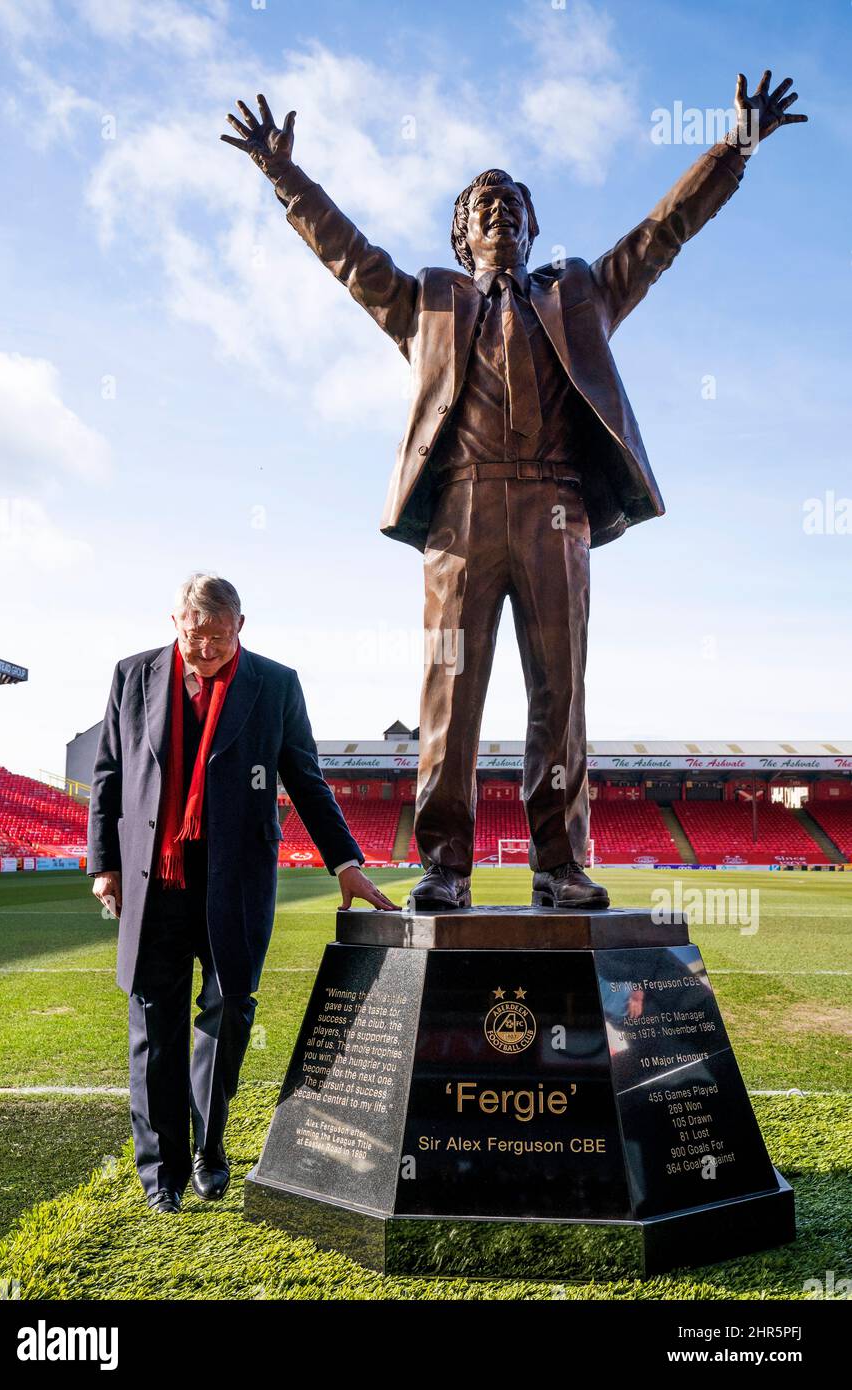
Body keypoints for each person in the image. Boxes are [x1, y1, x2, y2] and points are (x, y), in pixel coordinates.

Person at [221, 71, 805, 911]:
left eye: (511, 207)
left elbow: (663, 230)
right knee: (448, 692)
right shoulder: (426, 302)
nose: (497, 214)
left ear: (533, 229)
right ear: (461, 236)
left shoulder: (582, 296)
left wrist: (735, 144)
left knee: (558, 696)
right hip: (457, 515)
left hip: (554, 510)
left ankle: (558, 864)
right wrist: (284, 174)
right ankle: (445, 868)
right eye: (480, 208)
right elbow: (346, 254)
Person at [88, 573, 397, 1214]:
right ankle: (162, 1173)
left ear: (240, 628)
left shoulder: (275, 684)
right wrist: (105, 864)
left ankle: (210, 1149)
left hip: (237, 882)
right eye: (192, 633)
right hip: (154, 880)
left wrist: (345, 862)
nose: (203, 647)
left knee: (226, 1016)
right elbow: (110, 773)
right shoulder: (133, 675)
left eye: (217, 636)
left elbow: (306, 779)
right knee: (154, 1027)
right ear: (174, 622)